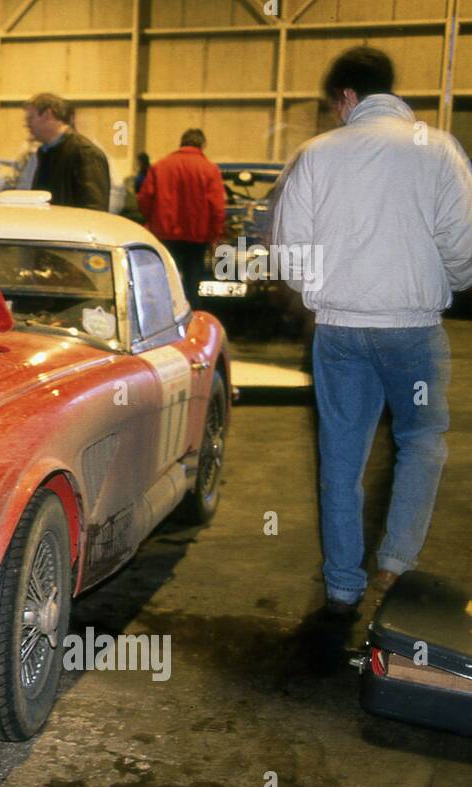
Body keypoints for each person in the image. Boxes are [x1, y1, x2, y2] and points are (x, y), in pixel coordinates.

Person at [269, 46, 472, 615]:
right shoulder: (439, 149)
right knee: (422, 440)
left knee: (340, 457)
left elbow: (289, 256)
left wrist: (322, 292)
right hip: (412, 333)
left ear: (348, 97)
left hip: (338, 333)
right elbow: (463, 245)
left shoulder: (315, 155)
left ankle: (341, 585)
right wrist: (446, 282)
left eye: (335, 105)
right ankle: (394, 566)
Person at [136, 129, 225, 305]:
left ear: (181, 143)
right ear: (202, 145)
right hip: (197, 237)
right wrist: (215, 234)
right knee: (192, 283)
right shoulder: (210, 169)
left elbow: (144, 198)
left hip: (165, 234)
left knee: (166, 281)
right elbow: (217, 207)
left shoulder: (159, 166)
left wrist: (152, 220)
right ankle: (193, 321)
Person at [18, 92, 110, 210]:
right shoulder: (44, 153)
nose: (27, 124)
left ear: (47, 115)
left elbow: (94, 208)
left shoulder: (85, 153)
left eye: (31, 118)